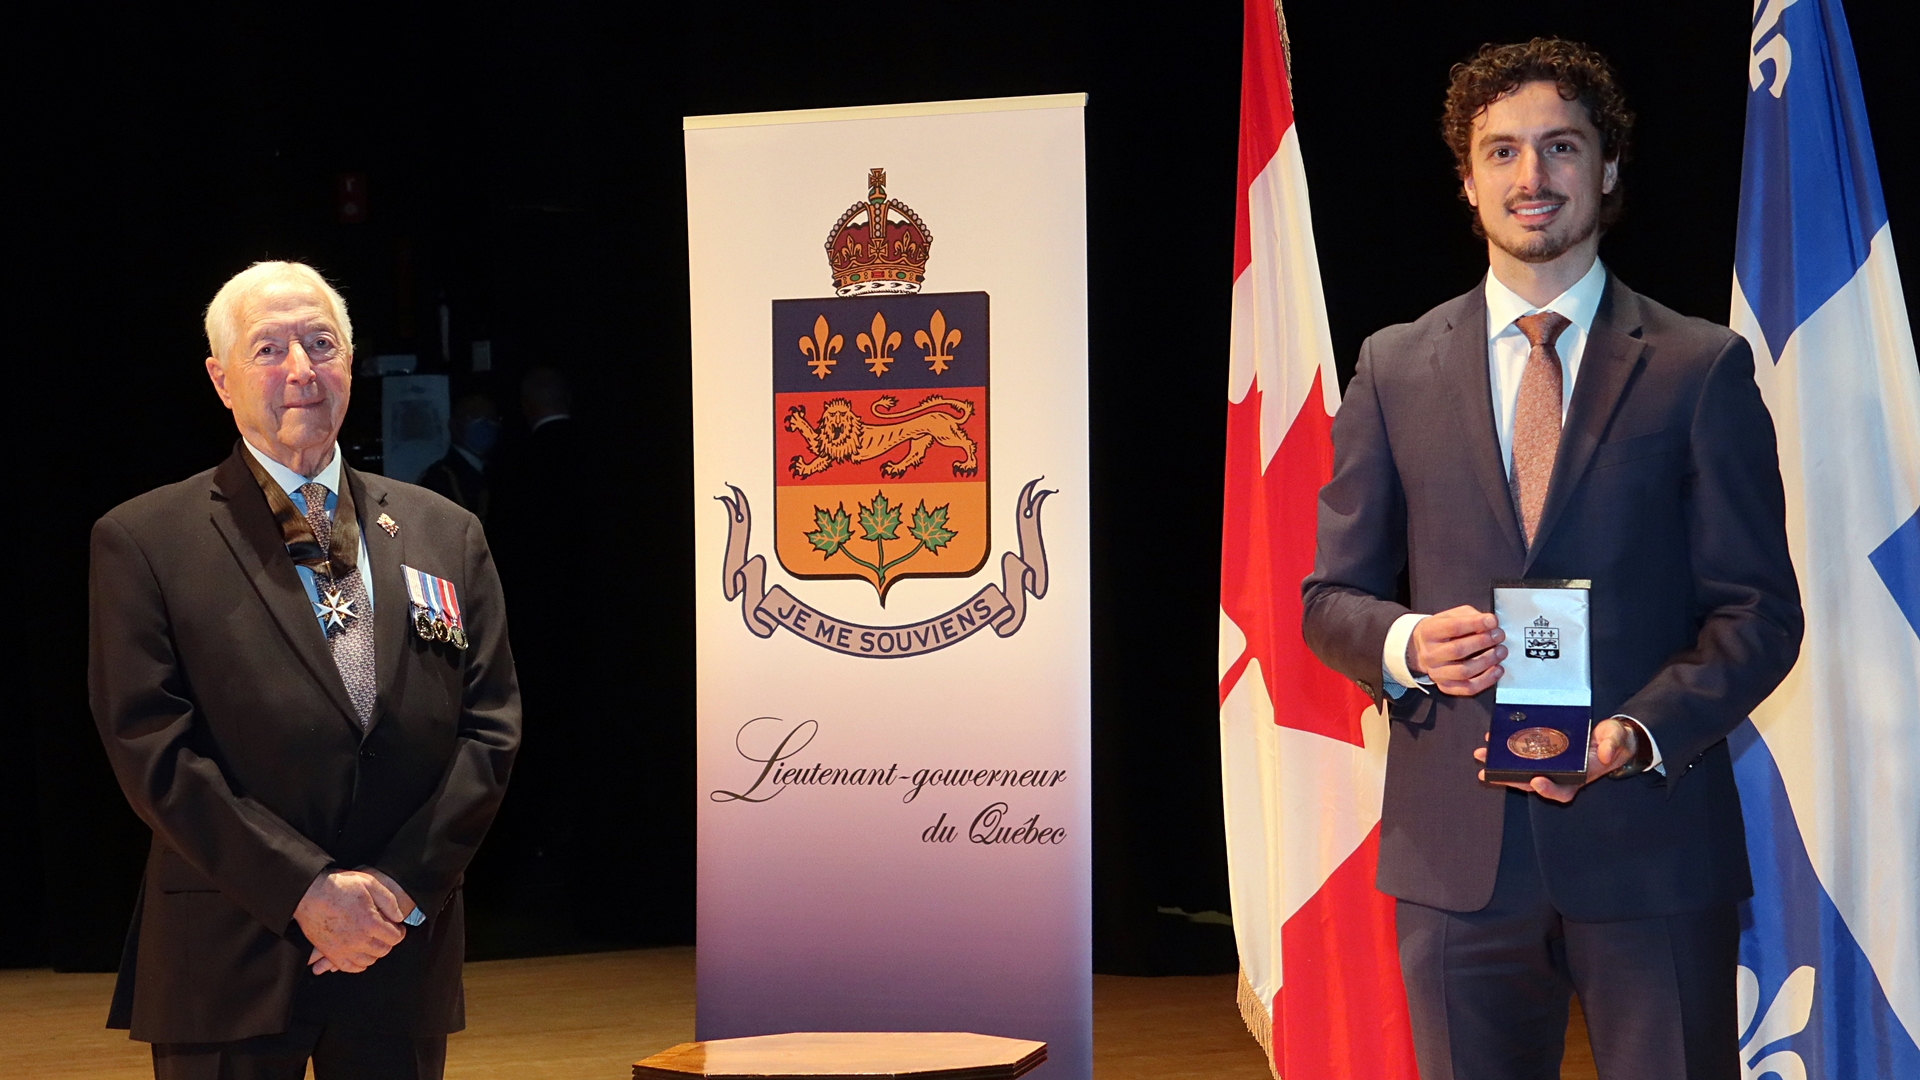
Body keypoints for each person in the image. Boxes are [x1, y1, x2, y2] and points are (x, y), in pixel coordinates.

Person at [1301, 40, 1802, 1080]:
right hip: (1456, 861)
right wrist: (1405, 642)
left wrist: (1634, 733)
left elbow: (1758, 614)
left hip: (1651, 850)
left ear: (1608, 168)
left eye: (1560, 147)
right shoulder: (1393, 367)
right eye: (1503, 151)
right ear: (1467, 178)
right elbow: (1329, 600)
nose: (1532, 177)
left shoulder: (1700, 367)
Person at [89, 261, 521, 1079]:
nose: (300, 370)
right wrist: (308, 893)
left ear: (349, 366)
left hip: (398, 950)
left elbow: (490, 731)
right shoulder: (144, 539)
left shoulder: (445, 531)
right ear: (220, 380)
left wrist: (394, 890)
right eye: (269, 348)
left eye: (321, 344)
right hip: (230, 952)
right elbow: (153, 750)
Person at [418, 392, 502, 522]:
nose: (484, 424)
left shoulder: (498, 471)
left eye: (491, 418)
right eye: (474, 417)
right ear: (453, 425)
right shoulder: (440, 478)